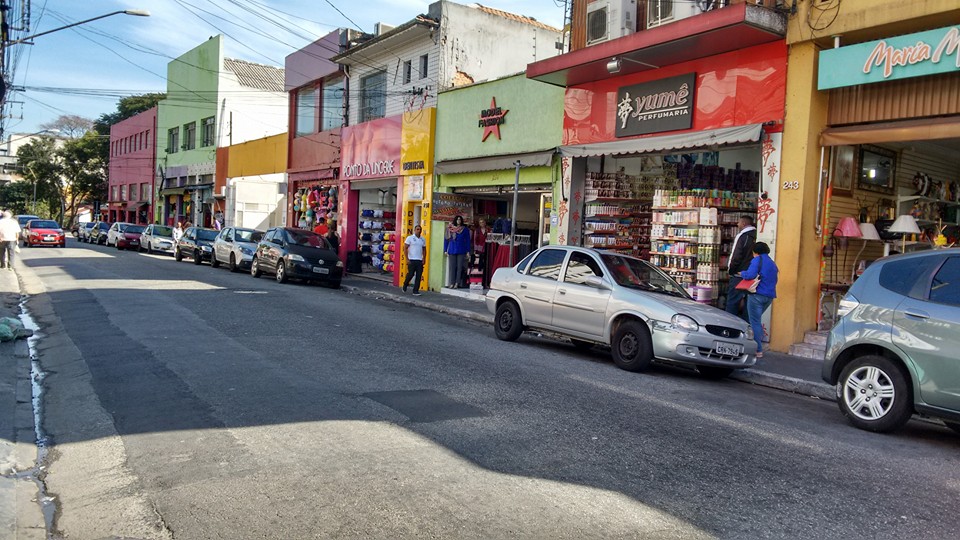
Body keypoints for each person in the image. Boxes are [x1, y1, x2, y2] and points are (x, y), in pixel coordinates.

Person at [741, 242, 779, 359]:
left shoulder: (757, 260)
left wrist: (742, 273)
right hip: (769, 296)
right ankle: (754, 345)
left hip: (757, 295)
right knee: (756, 321)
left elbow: (750, 275)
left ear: (755, 252)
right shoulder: (772, 263)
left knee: (754, 322)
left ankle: (758, 350)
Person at [725, 216, 757, 321]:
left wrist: (731, 271)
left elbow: (736, 255)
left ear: (743, 223)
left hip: (739, 274)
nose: (737, 225)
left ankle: (729, 325)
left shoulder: (742, 236)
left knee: (732, 302)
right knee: (749, 304)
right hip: (752, 274)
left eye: (738, 222)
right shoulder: (757, 235)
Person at [444, 215, 471, 288]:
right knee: (452, 267)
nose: (458, 221)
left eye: (460, 220)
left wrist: (468, 251)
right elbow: (446, 239)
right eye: (457, 219)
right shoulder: (450, 228)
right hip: (452, 249)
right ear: (455, 220)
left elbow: (467, 240)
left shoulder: (465, 229)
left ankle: (457, 283)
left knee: (459, 267)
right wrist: (445, 250)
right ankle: (452, 283)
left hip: (461, 250)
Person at [402, 225, 426, 295]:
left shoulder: (422, 239)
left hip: (419, 260)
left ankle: (415, 290)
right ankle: (405, 284)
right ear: (415, 230)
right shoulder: (410, 238)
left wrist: (424, 258)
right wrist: (407, 258)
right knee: (411, 274)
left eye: (420, 229)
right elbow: (405, 248)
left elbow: (424, 249)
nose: (419, 231)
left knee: (419, 276)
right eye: (417, 229)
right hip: (412, 259)